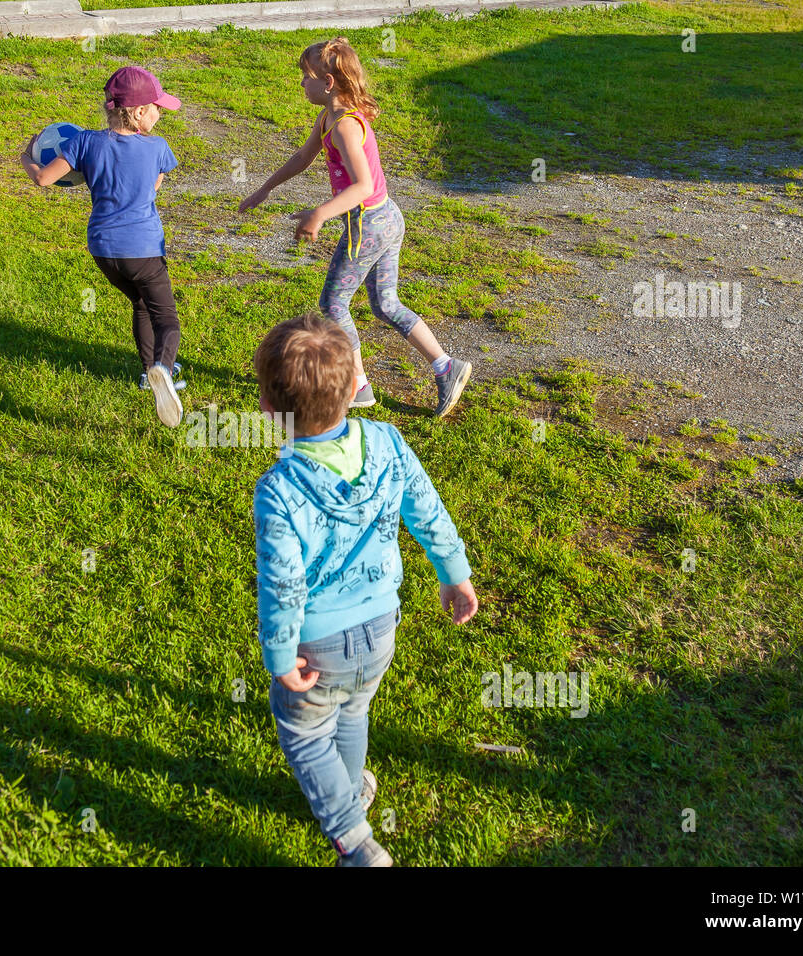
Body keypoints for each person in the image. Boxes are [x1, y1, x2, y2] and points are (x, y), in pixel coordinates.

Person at [252, 312, 479, 866]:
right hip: (380, 628)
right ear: (357, 386)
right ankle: (350, 792)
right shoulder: (388, 442)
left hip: (316, 645)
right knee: (353, 712)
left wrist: (279, 655)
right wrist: (454, 573)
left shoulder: (279, 489)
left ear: (268, 410)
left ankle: (354, 842)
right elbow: (428, 511)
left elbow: (283, 583)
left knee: (306, 734)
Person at [240, 37, 473, 418]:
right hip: (387, 218)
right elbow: (303, 156)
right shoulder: (329, 118)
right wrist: (265, 188)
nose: (302, 82)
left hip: (368, 225)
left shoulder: (346, 126)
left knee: (333, 303)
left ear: (328, 82)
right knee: (386, 303)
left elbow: (363, 186)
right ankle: (446, 366)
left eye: (306, 76)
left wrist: (319, 214)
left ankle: (358, 385)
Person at [22, 65, 186, 427]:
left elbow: (44, 179)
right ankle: (163, 370)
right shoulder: (158, 148)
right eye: (157, 109)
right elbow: (153, 187)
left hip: (104, 251)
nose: (160, 115)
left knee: (140, 302)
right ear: (139, 112)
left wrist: (26, 158)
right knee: (167, 319)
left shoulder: (84, 142)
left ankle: (148, 372)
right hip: (144, 250)